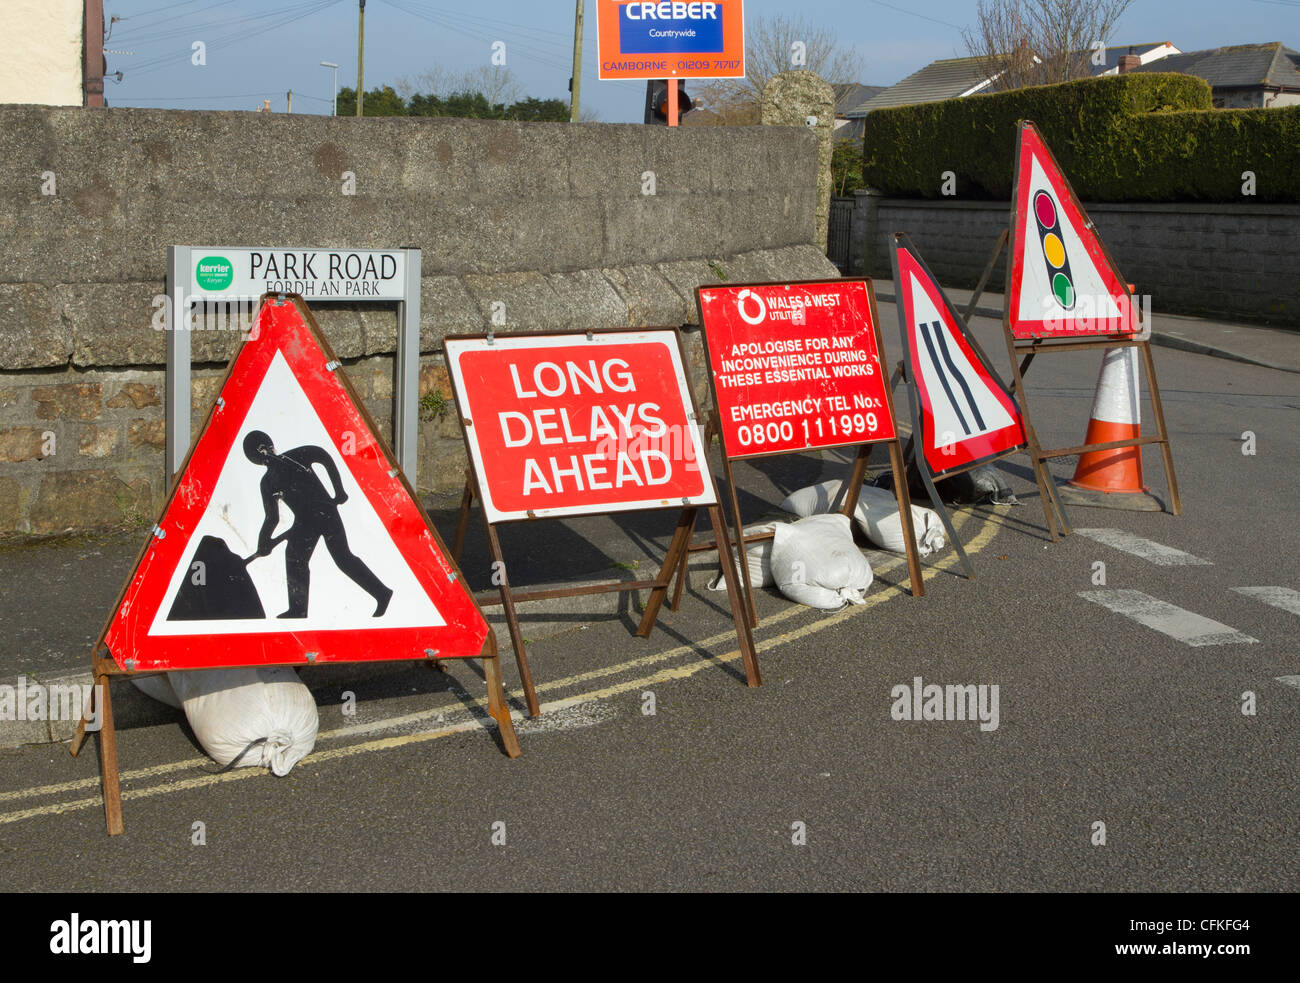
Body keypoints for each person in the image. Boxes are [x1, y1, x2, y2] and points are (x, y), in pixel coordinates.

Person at [243, 430, 392, 618]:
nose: (264, 458)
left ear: (262, 450)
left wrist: (339, 491)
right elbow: (272, 517)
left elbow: (323, 455)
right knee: (294, 559)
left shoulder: (295, 457)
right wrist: (263, 541)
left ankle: (382, 593)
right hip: (304, 521)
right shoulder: (268, 482)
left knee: (343, 558)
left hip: (325, 511)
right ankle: (298, 610)